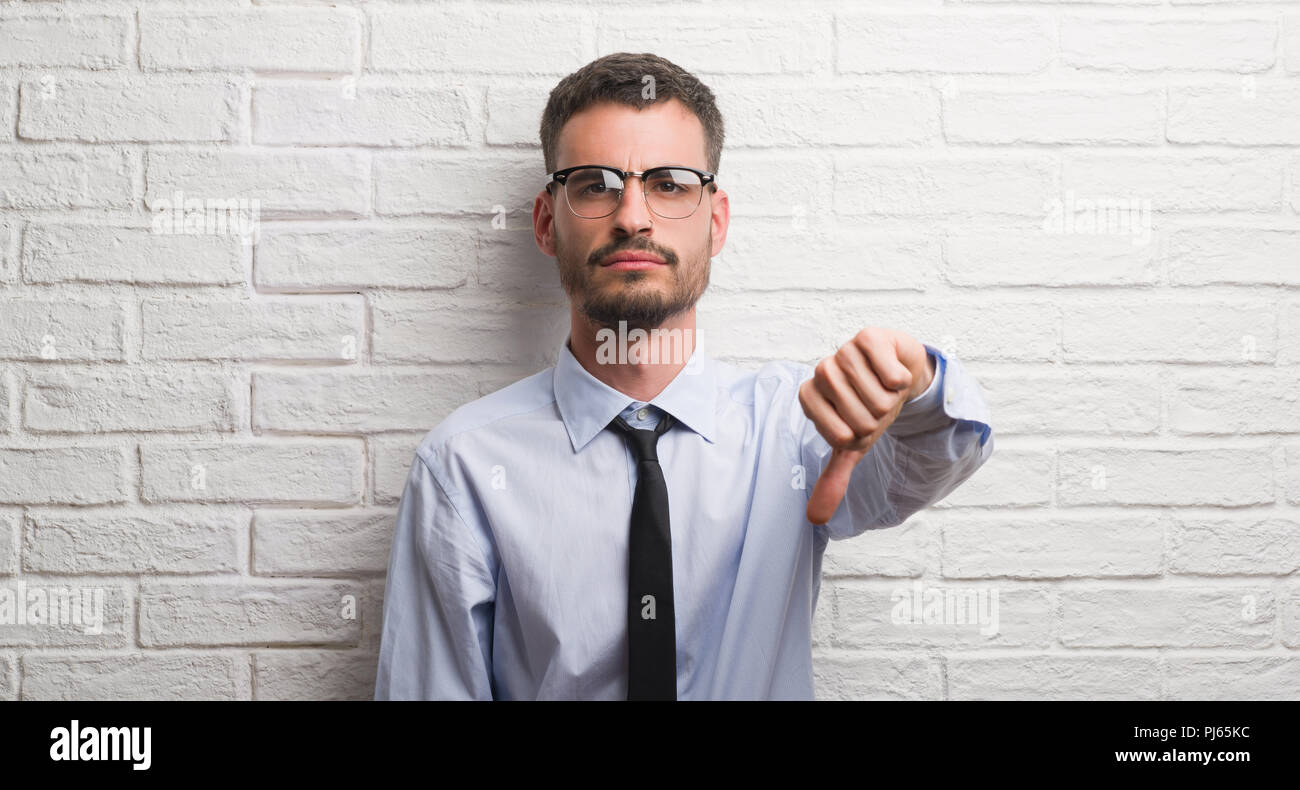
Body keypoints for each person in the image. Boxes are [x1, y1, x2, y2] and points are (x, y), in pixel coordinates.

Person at [374, 52, 994, 700]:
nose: (633, 217)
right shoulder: (463, 467)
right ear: (545, 223)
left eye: (669, 183)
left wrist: (915, 384)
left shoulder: (796, 429)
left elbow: (940, 453)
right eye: (595, 183)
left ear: (716, 219)